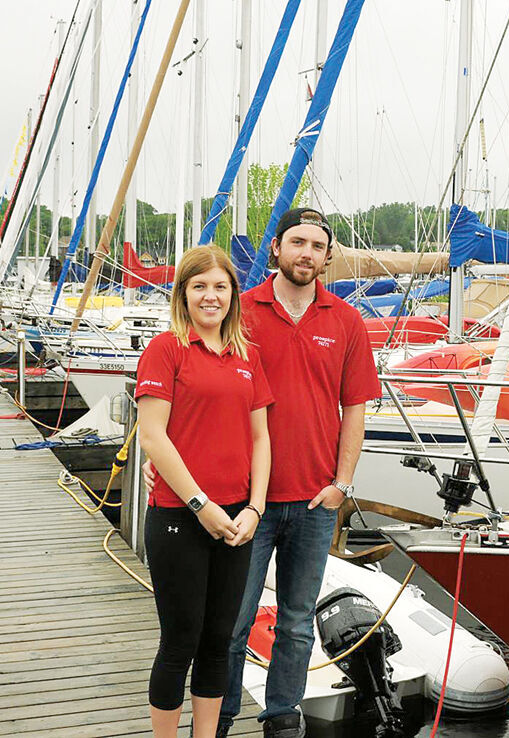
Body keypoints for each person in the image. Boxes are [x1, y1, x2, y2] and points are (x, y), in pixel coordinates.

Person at [149, 208, 382, 738]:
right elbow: (192, 391)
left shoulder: (345, 322)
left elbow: (356, 409)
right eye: (296, 242)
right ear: (275, 249)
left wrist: (341, 484)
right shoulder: (238, 311)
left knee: (297, 624)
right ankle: (221, 718)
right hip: (238, 502)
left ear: (327, 256)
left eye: (317, 246)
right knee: (229, 626)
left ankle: (281, 715)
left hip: (313, 499)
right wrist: (161, 456)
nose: (307, 253)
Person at [136, 245, 273, 738]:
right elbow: (154, 435)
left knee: (219, 641)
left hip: (237, 520)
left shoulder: (247, 355)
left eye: (220, 286)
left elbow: (261, 438)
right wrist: (201, 504)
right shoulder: (167, 348)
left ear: (233, 294)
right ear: (184, 293)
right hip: (179, 516)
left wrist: (255, 507)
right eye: (200, 287)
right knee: (180, 642)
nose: (210, 296)